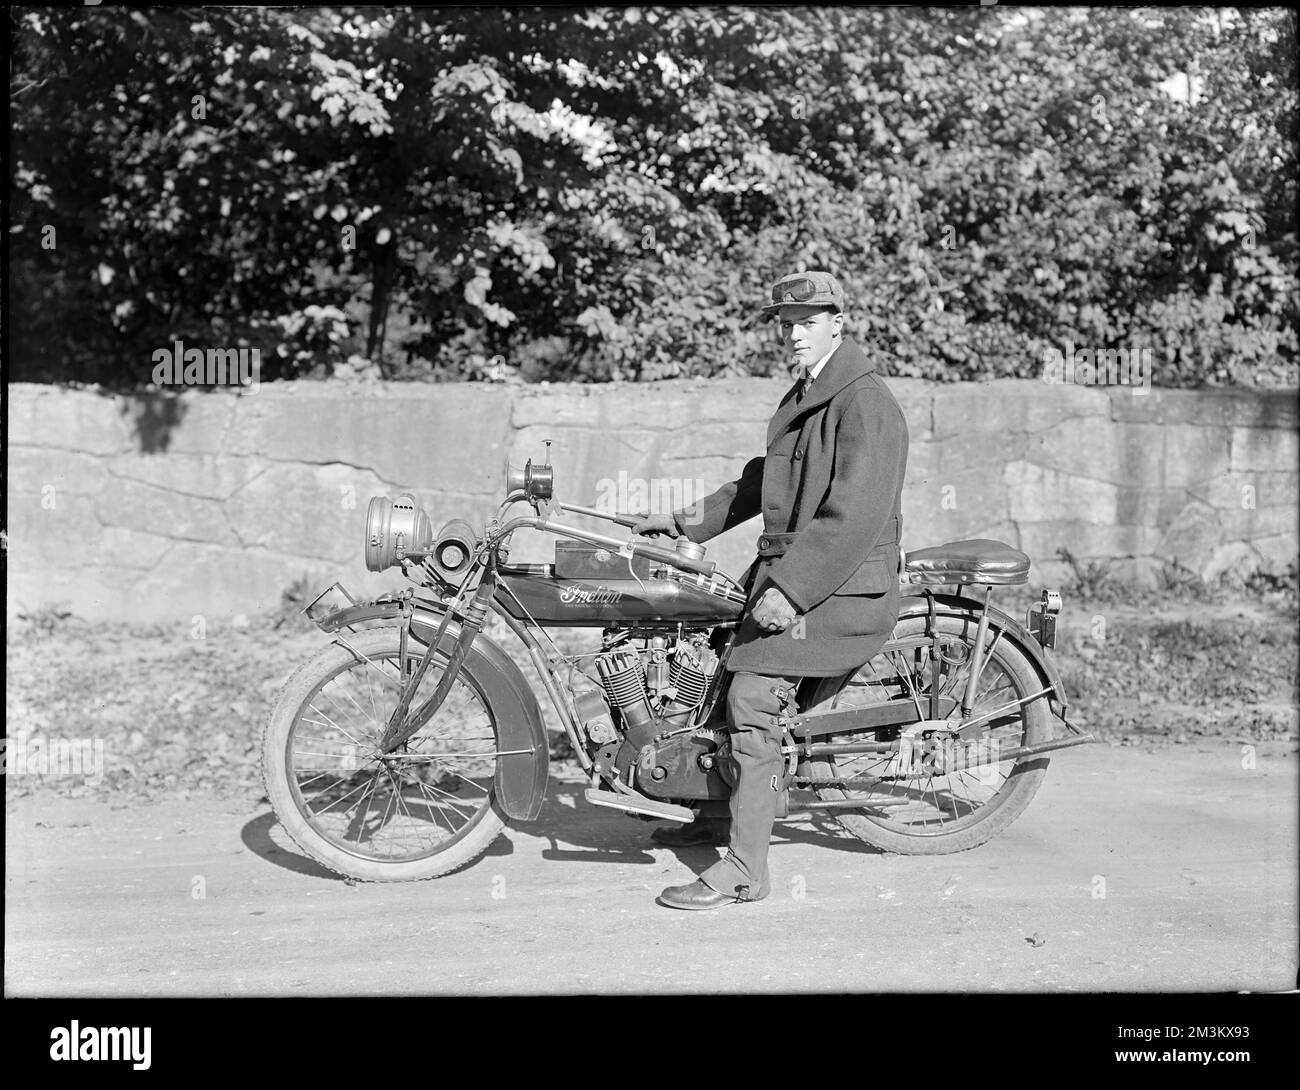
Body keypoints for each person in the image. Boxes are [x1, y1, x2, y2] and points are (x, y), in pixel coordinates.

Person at [632, 270, 909, 910]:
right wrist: (683, 521)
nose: (793, 334)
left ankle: (746, 871)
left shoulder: (864, 402)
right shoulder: (808, 395)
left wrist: (790, 590)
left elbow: (854, 515)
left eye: (807, 321)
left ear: (839, 323)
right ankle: (713, 807)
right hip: (805, 577)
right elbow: (760, 482)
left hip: (840, 588)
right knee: (712, 671)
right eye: (785, 323)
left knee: (753, 701)